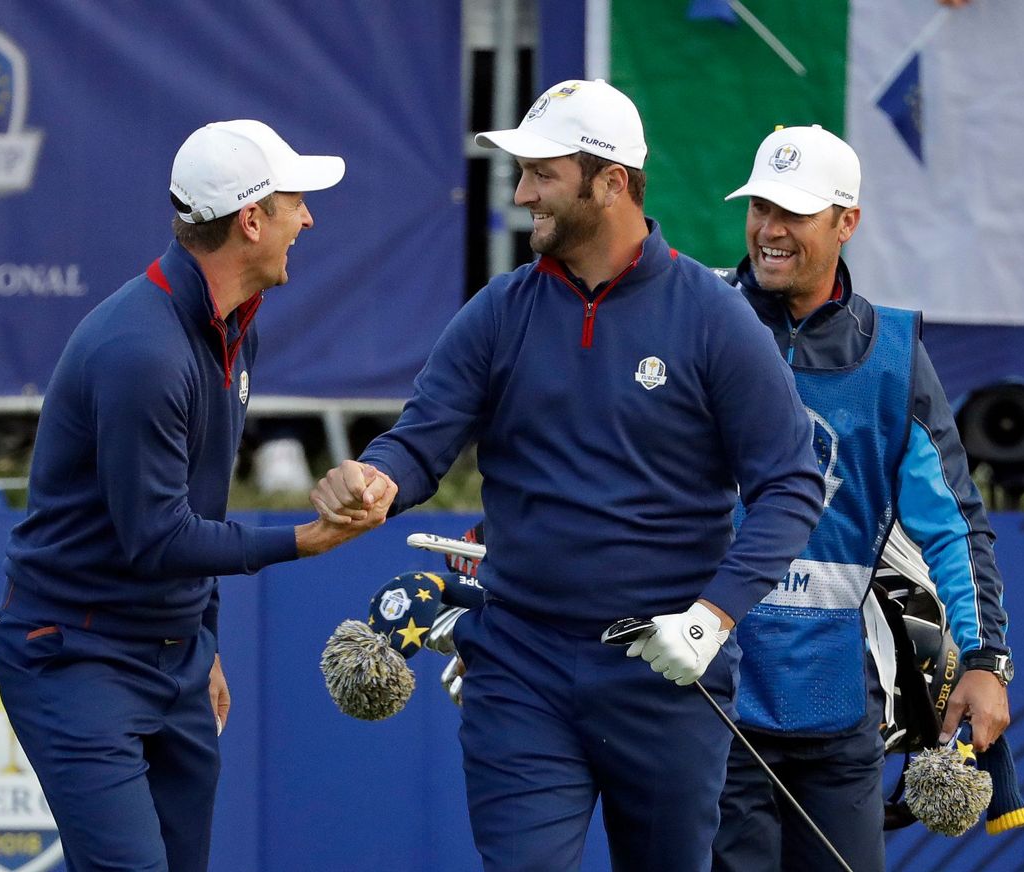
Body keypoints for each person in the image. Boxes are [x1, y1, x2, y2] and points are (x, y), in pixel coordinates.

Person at [311, 79, 825, 872]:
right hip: (520, 664)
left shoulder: (713, 315)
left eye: (542, 174)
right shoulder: (498, 310)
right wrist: (375, 478)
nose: (521, 194)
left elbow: (791, 482)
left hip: (664, 672)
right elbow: (419, 443)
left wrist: (712, 617)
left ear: (611, 181)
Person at [0, 120, 392, 872]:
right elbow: (159, 538)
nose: (308, 219)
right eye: (294, 202)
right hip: (76, 656)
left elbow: (192, 503)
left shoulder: (232, 325)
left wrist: (199, 635)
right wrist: (305, 539)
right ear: (250, 221)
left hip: (168, 653)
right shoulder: (142, 349)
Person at [710, 124, 1012, 872]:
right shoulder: (697, 315)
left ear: (847, 222)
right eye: (760, 208)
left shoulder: (895, 354)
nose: (770, 231)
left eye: (796, 213)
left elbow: (952, 527)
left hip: (836, 712)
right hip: (706, 699)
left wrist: (985, 659)